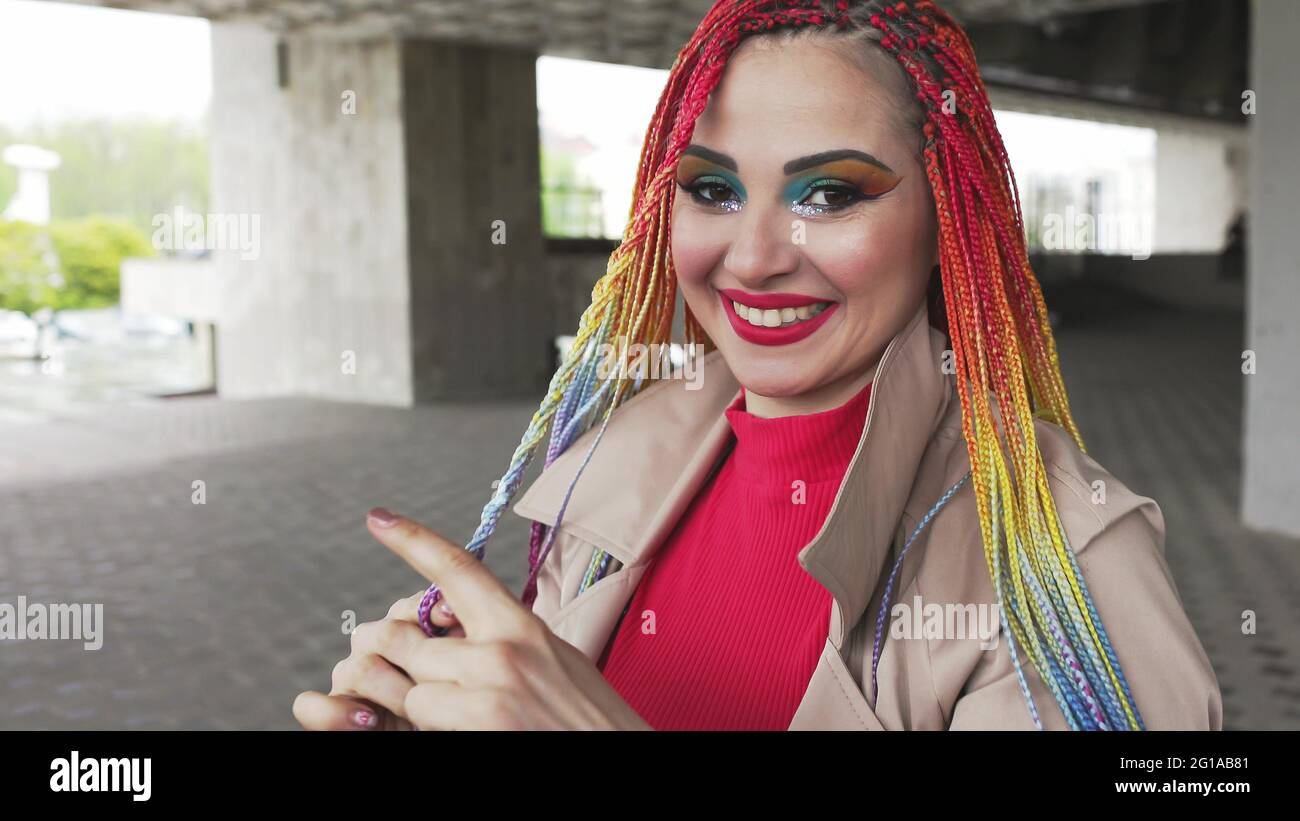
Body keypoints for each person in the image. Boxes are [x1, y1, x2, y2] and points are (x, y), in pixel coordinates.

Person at [294, 0, 1222, 731]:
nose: (752, 256)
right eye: (712, 189)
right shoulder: (608, 466)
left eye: (828, 193)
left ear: (949, 222)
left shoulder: (1066, 560)